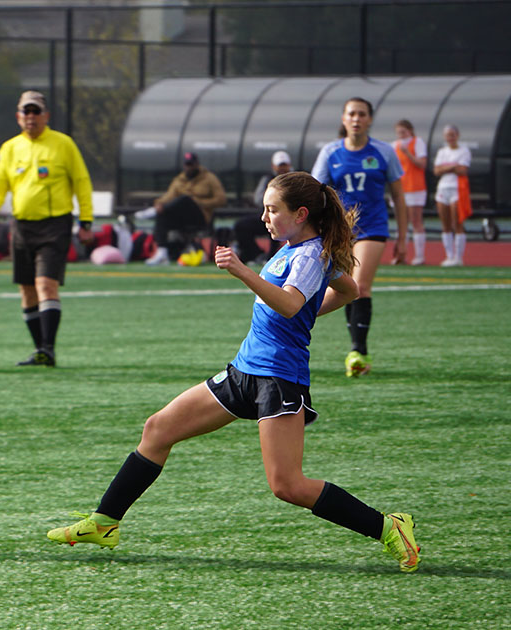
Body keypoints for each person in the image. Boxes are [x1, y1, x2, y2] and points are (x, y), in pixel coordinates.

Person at [45, 171, 420, 574]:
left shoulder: (309, 256)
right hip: (244, 371)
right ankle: (105, 522)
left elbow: (291, 305)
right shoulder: (295, 248)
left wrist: (243, 271)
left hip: (278, 380)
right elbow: (347, 290)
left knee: (287, 485)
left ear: (300, 214)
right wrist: (310, 311)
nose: (264, 217)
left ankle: (387, 527)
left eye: (272, 210)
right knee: (158, 429)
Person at [0, 90, 94, 367]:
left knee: (45, 284)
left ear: (46, 115)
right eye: (26, 111)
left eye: (36, 111)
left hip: (55, 225)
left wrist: (86, 221)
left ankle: (49, 348)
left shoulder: (63, 144)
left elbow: (82, 182)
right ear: (18, 116)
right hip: (22, 226)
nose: (31, 116)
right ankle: (40, 350)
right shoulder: (10, 148)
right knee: (27, 290)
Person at [312, 97, 409, 378]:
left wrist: (403, 238)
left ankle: (358, 352)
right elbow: (316, 192)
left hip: (372, 228)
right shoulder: (330, 152)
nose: (356, 119)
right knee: (344, 288)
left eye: (362, 114)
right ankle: (356, 351)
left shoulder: (384, 152)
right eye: (352, 113)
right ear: (343, 118)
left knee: (360, 286)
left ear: (370, 119)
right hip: (340, 231)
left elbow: (398, 197)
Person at [140, 152, 227, 265]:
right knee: (163, 213)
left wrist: (199, 202)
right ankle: (162, 253)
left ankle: (152, 212)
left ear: (197, 164)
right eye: (187, 164)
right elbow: (169, 196)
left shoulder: (209, 178)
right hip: (182, 217)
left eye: (191, 164)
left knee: (186, 199)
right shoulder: (179, 179)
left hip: (200, 216)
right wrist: (159, 204)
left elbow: (221, 199)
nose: (188, 167)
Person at [235, 150, 291, 264]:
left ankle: (271, 257)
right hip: (269, 214)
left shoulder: (295, 179)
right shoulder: (267, 179)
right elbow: (258, 199)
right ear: (274, 166)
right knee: (241, 226)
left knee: (276, 223)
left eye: (284, 165)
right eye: (280, 165)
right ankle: (256, 254)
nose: (282, 168)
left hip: (288, 216)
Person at [433, 124, 473, 267]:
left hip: (457, 188)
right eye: (447, 135)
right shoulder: (442, 151)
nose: (450, 138)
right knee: (445, 224)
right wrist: (452, 166)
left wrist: (445, 168)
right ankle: (449, 256)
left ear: (457, 135)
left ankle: (458, 257)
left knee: (457, 222)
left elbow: (462, 170)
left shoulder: (464, 150)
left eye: (452, 135)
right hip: (443, 188)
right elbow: (437, 171)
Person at [394, 120, 429, 265]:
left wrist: (407, 152)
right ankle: (400, 255)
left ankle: (419, 256)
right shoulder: (395, 145)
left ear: (410, 130)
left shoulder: (417, 142)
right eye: (399, 132)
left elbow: (422, 164)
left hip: (415, 187)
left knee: (416, 221)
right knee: (401, 223)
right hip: (401, 188)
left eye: (403, 132)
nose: (401, 135)